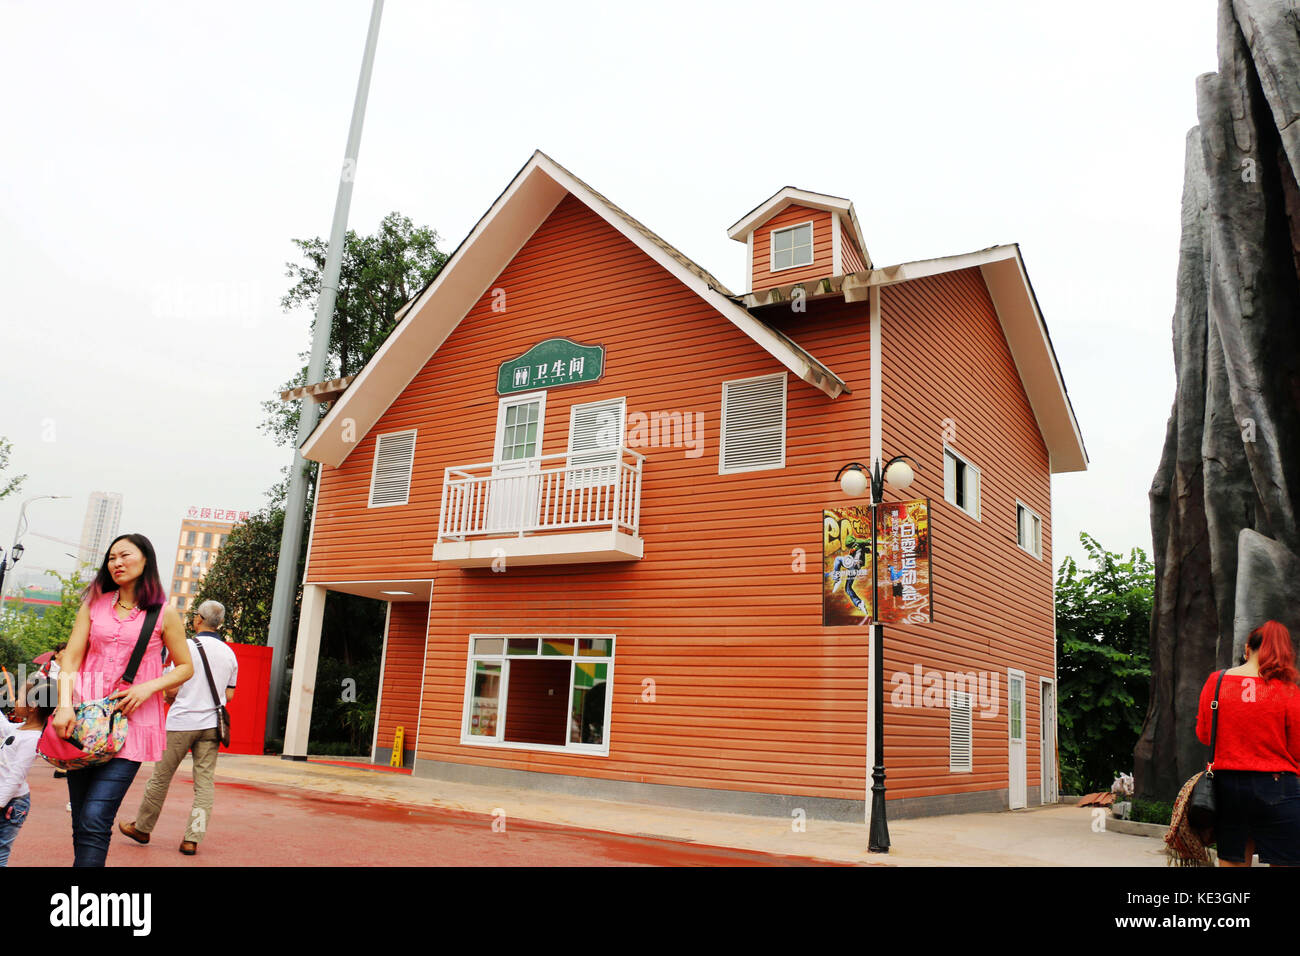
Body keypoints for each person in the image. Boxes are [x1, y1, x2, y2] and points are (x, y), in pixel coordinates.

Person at [52, 533, 193, 867]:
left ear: (145, 560)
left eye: (125, 555)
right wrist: (64, 705)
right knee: (81, 821)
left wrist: (148, 688)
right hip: (84, 723)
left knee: (96, 817)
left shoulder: (164, 614)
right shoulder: (94, 605)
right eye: (111, 557)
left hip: (132, 725)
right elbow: (71, 658)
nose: (116, 563)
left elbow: (185, 666)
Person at [119, 600, 237, 856]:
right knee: (204, 783)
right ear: (220, 624)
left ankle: (142, 827)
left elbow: (172, 687)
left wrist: (172, 697)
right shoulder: (229, 654)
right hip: (211, 727)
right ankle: (191, 839)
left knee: (161, 776)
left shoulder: (186, 648)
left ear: (197, 619)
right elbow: (229, 695)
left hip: (181, 722)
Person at [1195, 620, 1300, 867]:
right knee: (1286, 861)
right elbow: (1296, 748)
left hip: (1229, 785)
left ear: (1246, 648)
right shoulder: (1287, 690)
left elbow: (1204, 735)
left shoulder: (1216, 681)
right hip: (1277, 785)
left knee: (1233, 860)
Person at [0, 676, 56, 866]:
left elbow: (16, 775)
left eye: (18, 697)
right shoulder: (20, 728)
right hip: (6, 798)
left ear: (32, 706)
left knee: (1, 850)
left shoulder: (32, 738)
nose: (14, 701)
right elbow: (4, 727)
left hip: (12, 803)